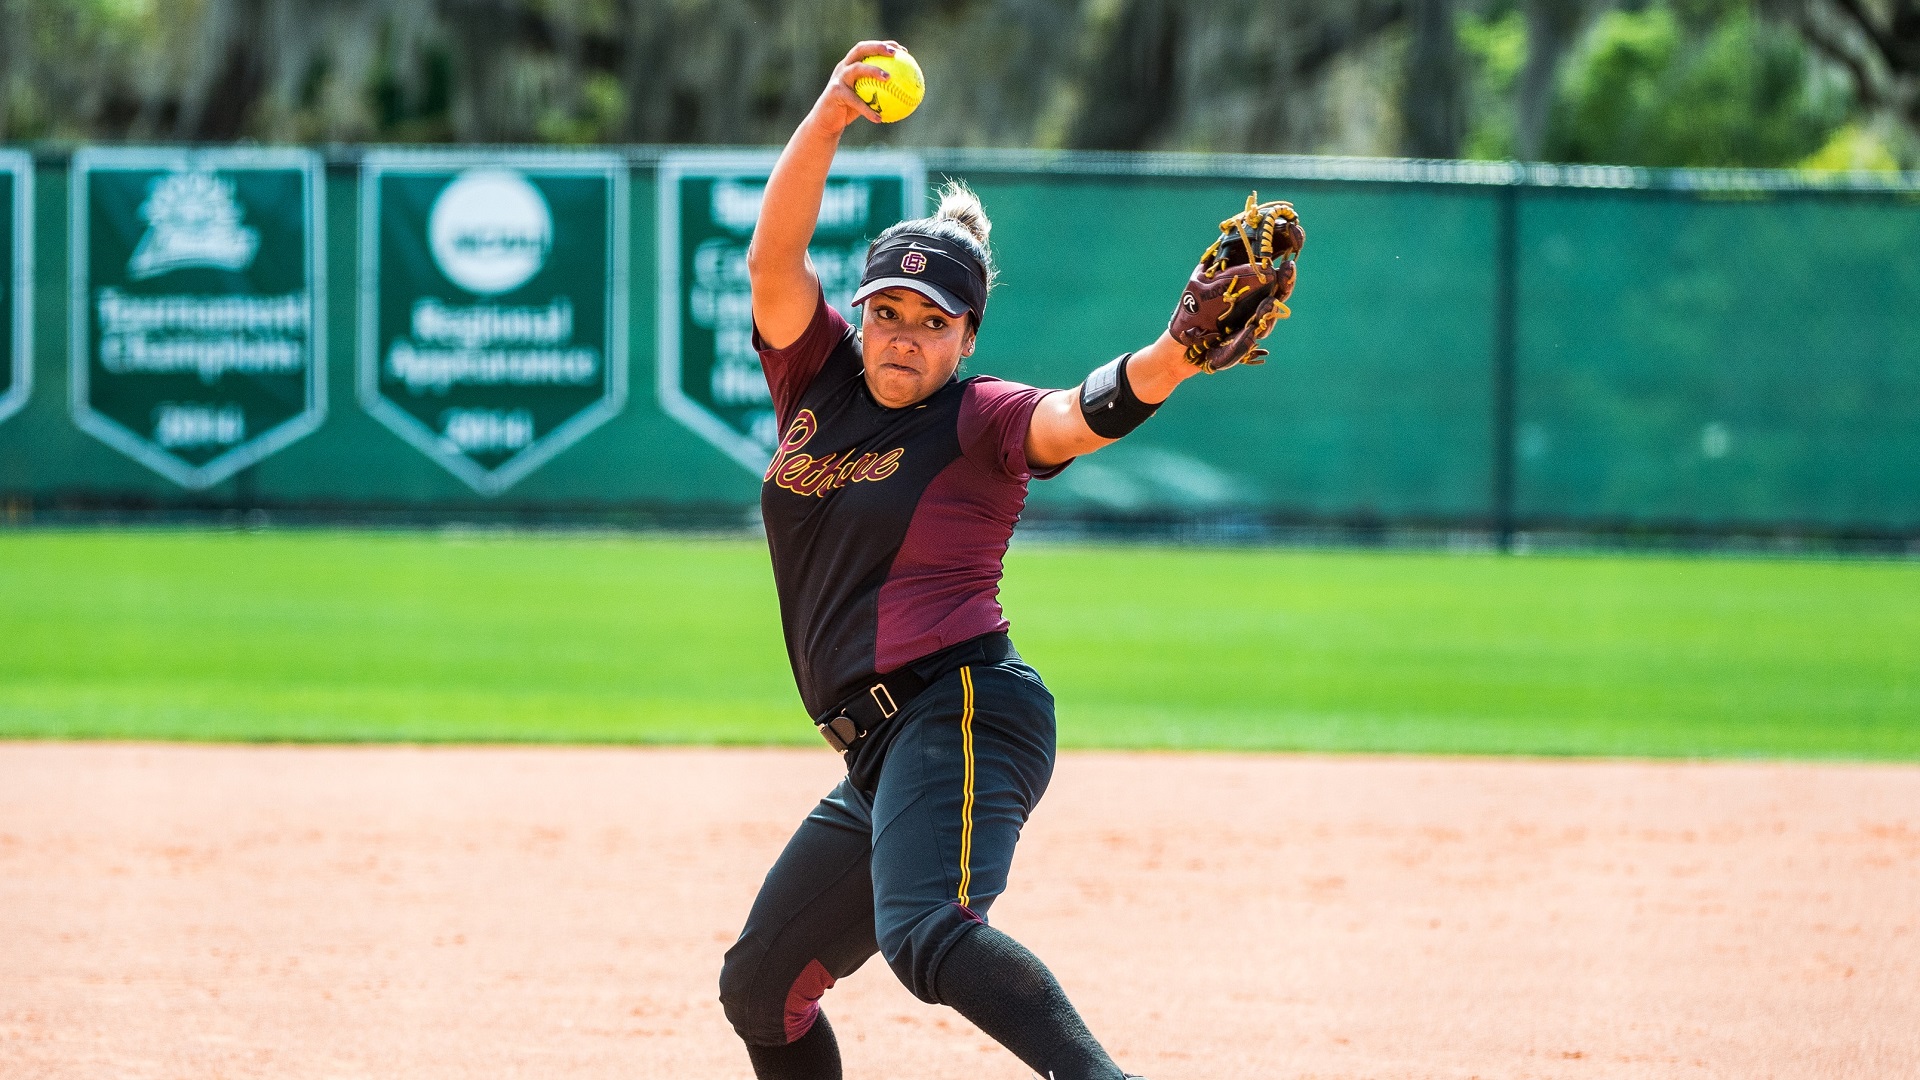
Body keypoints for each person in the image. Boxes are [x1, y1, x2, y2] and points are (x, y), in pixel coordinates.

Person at [717, 38, 1296, 1080]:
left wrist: (1174, 354)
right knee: (760, 988)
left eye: (928, 323)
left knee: (925, 935)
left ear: (966, 337)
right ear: (859, 315)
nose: (901, 336)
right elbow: (771, 259)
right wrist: (832, 115)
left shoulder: (981, 419)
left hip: (965, 704)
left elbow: (1081, 416)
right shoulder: (815, 382)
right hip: (879, 753)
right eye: (885, 312)